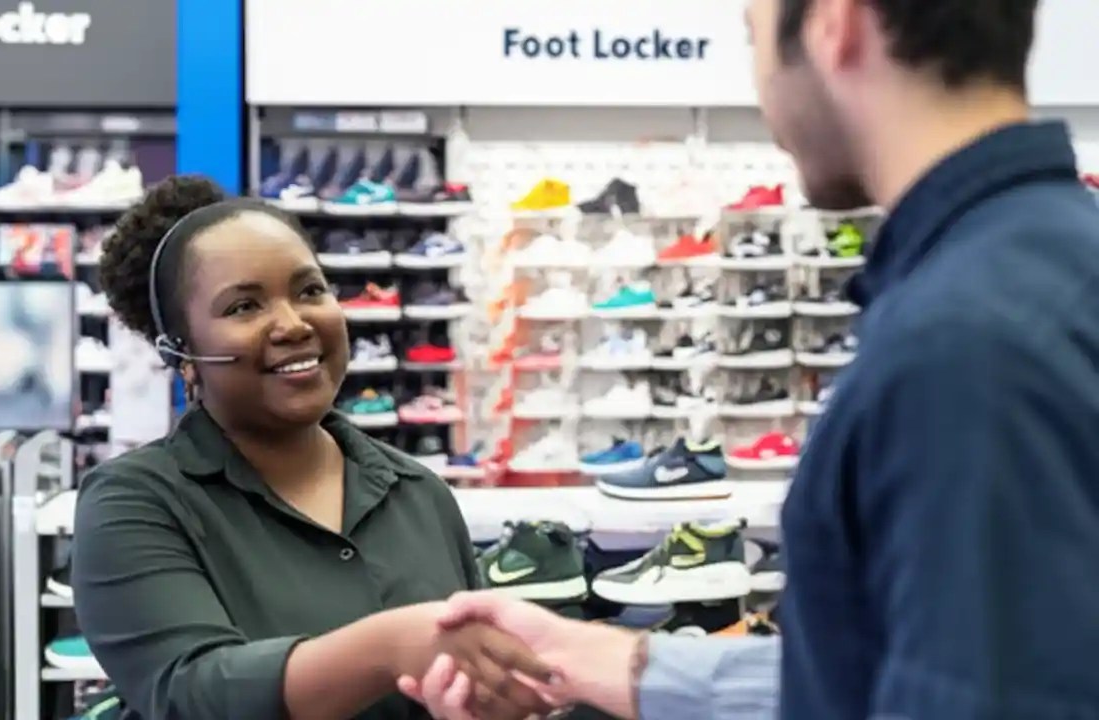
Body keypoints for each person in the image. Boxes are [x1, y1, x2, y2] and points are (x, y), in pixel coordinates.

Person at [405, 0, 1099, 717]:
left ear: (837, 24)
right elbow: (897, 664)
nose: (762, 92)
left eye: (753, 37)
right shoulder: (1036, 269)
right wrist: (606, 659)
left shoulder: (966, 344)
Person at [72, 175, 552, 720]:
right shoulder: (134, 502)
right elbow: (192, 693)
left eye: (309, 290)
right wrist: (389, 645)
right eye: (243, 307)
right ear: (184, 354)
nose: (294, 324)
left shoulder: (419, 494)